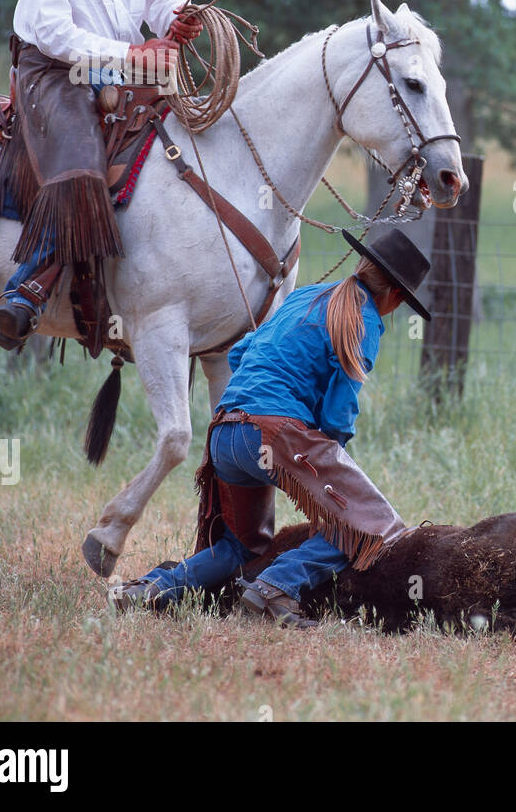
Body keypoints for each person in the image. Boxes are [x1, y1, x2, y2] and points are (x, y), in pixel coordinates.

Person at [110, 229, 430, 628]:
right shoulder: (362, 321)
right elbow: (337, 415)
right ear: (397, 297)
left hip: (225, 430)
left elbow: (241, 352)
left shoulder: (305, 296)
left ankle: (153, 588)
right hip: (273, 434)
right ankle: (275, 588)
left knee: (241, 546)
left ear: (361, 265)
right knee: (370, 523)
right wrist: (333, 476)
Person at [0, 0, 202, 350]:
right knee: (82, 161)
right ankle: (28, 288)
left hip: (126, 62)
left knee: (194, 134)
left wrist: (178, 18)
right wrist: (133, 54)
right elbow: (57, 33)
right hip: (53, 67)